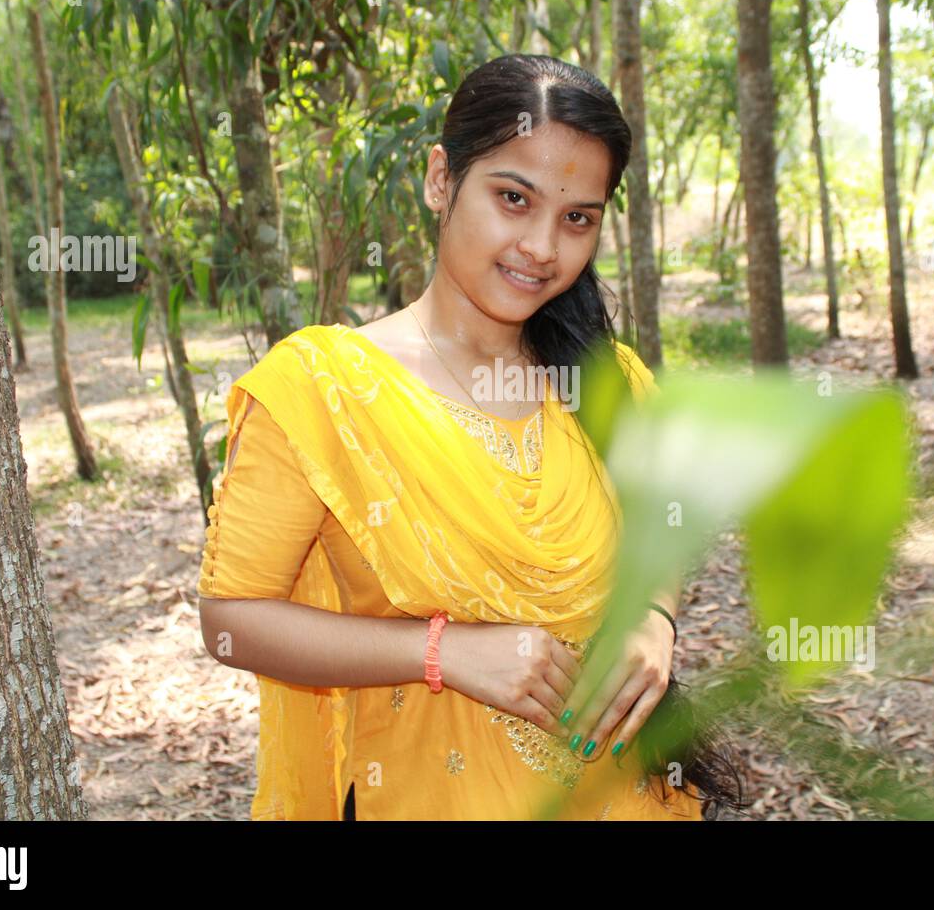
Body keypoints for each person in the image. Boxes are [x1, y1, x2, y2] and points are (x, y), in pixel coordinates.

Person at [197, 54, 745, 820]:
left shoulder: (609, 378)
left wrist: (656, 619)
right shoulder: (321, 387)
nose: (542, 248)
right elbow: (230, 620)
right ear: (439, 180)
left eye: (577, 217)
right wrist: (441, 652)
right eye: (513, 198)